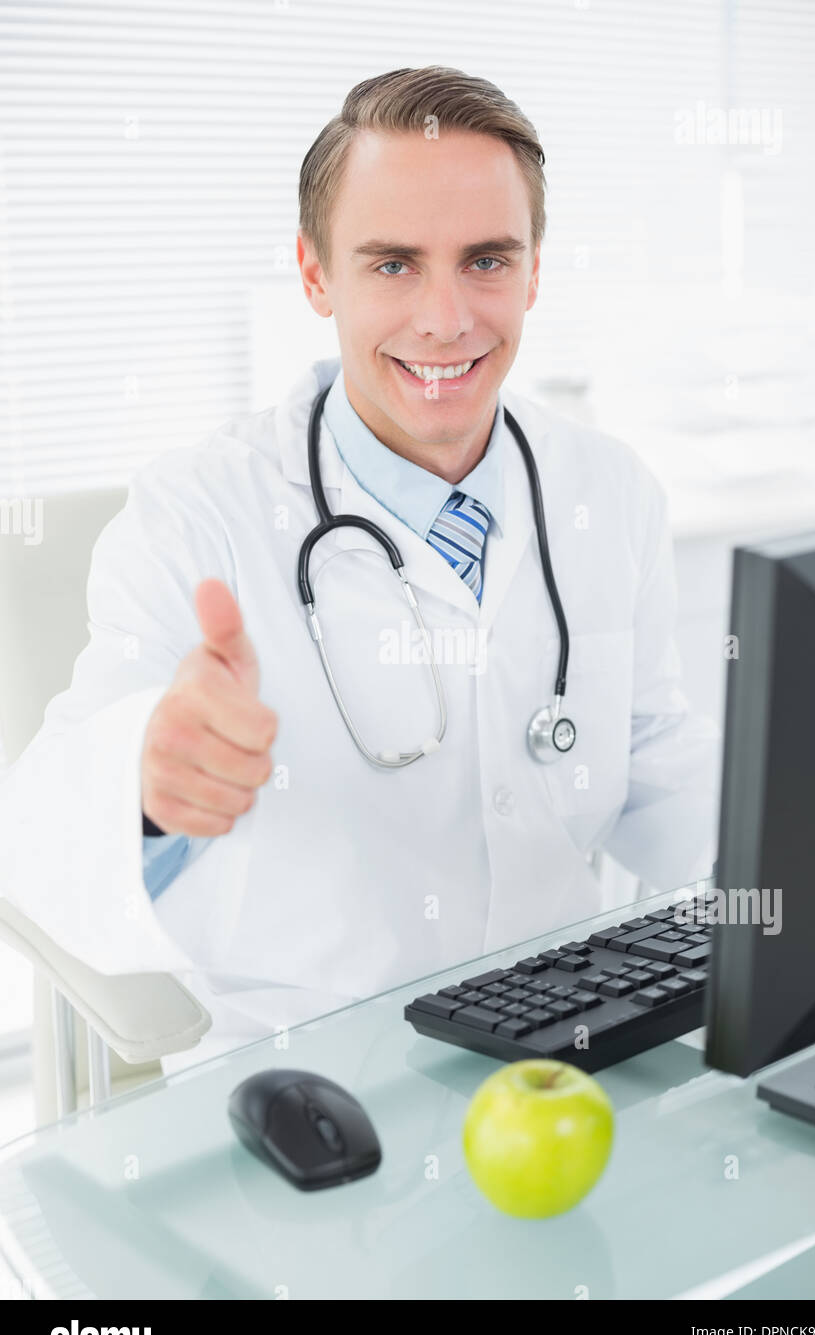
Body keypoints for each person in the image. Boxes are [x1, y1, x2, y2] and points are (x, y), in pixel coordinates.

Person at [0, 66, 720, 1075]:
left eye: (485, 260)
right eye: (390, 265)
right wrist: (149, 784)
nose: (443, 317)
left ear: (532, 272)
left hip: (576, 1047)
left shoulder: (610, 491)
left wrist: (807, 881)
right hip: (320, 1077)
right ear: (313, 274)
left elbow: (652, 758)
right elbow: (31, 833)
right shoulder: (195, 515)